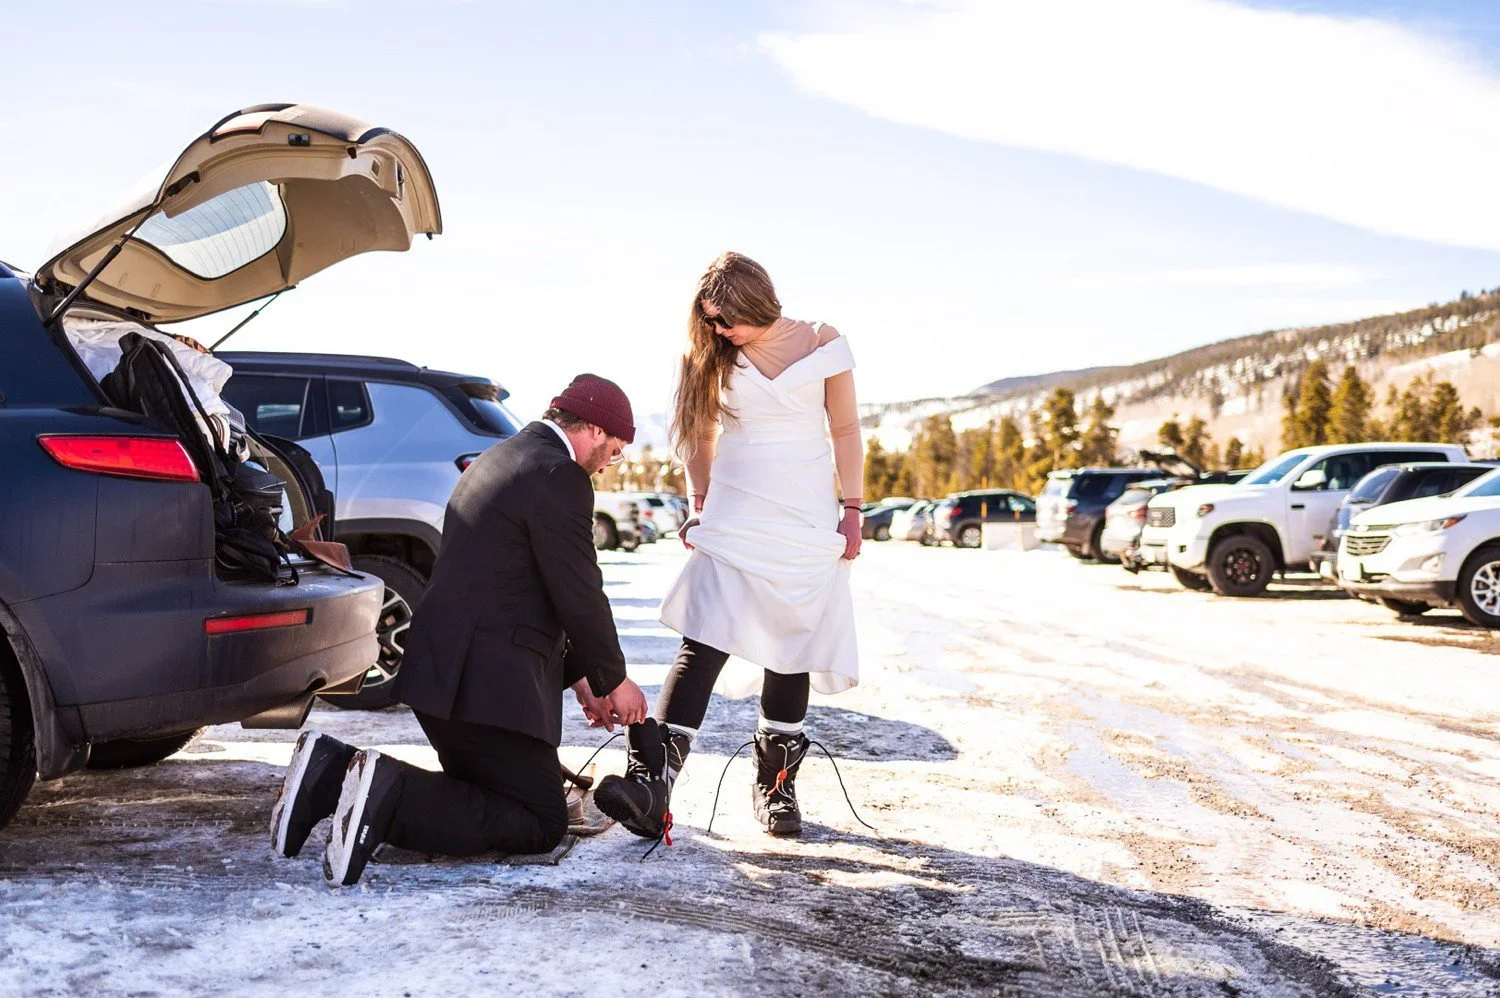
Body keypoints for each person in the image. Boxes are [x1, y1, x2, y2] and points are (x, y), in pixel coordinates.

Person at [269, 374, 649, 885]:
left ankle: (329, 771)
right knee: (541, 820)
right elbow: (579, 591)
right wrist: (613, 679)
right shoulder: (559, 475)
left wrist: (582, 677)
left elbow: (518, 584)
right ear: (596, 429)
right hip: (488, 693)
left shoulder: (497, 458)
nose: (608, 464)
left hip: (442, 679)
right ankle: (385, 796)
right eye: (615, 451)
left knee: (488, 797)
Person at [594, 252, 863, 840]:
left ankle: (775, 786)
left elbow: (845, 429)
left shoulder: (823, 342)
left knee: (792, 645)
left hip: (805, 516)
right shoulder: (707, 353)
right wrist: (699, 504)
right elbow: (698, 432)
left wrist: (853, 509)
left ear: (757, 303)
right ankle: (653, 784)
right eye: (709, 319)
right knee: (705, 635)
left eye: (725, 319)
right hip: (735, 511)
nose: (717, 330)